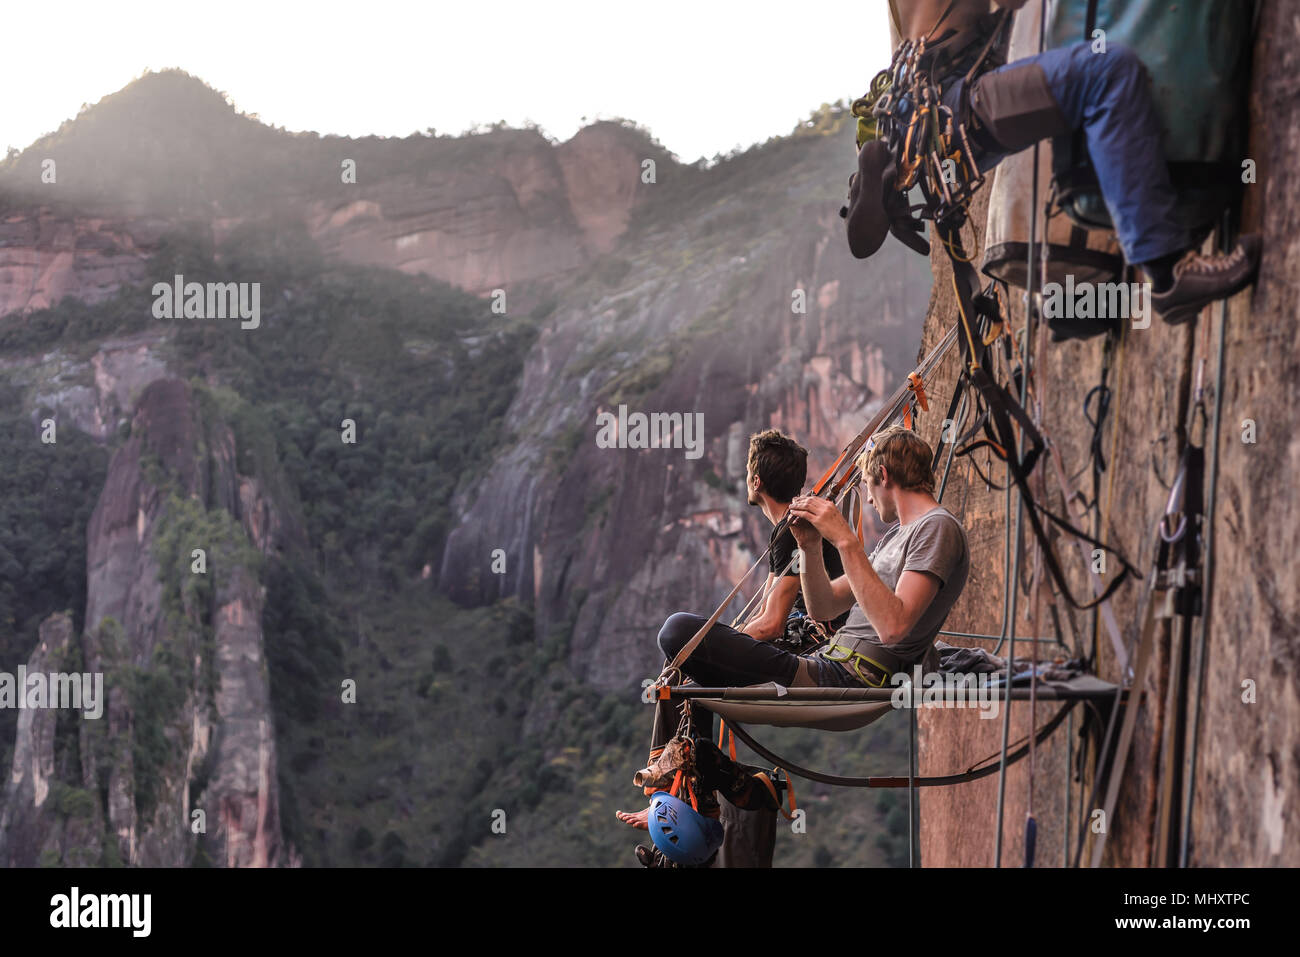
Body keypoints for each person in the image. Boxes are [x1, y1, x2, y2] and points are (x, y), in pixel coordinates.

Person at [616, 425, 970, 839]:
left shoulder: (936, 527)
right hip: (825, 663)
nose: (869, 498)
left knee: (678, 631)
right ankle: (699, 796)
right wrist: (810, 546)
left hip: (845, 676)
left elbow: (894, 628)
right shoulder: (897, 538)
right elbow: (824, 606)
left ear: (884, 475)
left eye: (867, 485)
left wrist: (845, 540)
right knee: (687, 668)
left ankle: (690, 796)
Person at [846, 0, 1260, 325]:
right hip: (958, 108)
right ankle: (1167, 271)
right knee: (1106, 75)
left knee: (1081, 87)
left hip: (937, 125)